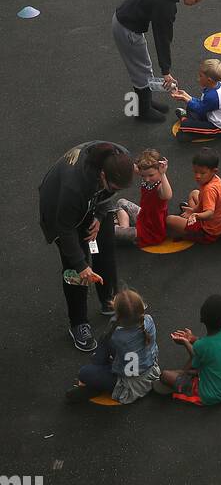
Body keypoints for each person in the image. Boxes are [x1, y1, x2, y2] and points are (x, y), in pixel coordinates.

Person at [39, 140, 135, 353]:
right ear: (102, 175)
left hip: (92, 202)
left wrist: (100, 216)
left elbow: (107, 195)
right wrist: (82, 265)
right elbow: (65, 230)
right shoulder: (75, 186)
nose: (117, 191)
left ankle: (108, 298)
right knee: (75, 271)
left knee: (105, 248)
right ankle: (78, 323)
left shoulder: (121, 158)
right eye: (115, 187)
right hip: (60, 213)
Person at [112, 0, 208, 121]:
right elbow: (162, 38)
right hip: (127, 28)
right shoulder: (166, 6)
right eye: (196, 1)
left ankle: (146, 102)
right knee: (139, 69)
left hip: (125, 18)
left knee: (144, 65)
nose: (195, 4)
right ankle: (141, 112)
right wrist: (166, 71)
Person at [66, 289, 160, 403]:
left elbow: (106, 346)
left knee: (84, 372)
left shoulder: (116, 336)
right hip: (149, 371)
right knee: (106, 344)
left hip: (128, 383)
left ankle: (98, 387)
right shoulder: (149, 320)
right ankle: (99, 381)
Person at [156, 294, 221, 405]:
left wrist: (185, 343)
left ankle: (184, 383)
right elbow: (214, 345)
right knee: (199, 366)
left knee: (164, 376)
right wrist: (193, 339)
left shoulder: (201, 346)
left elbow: (195, 356)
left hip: (211, 394)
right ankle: (189, 374)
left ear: (201, 319)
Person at [164, 148, 221, 243]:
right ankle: (189, 219)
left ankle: (188, 233)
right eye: (195, 172)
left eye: (202, 173)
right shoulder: (215, 179)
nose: (197, 176)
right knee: (194, 193)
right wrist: (194, 210)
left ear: (214, 171)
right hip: (220, 223)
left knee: (169, 220)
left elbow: (210, 214)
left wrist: (195, 215)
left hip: (209, 232)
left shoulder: (209, 189)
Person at [114, 149, 172, 246]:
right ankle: (126, 231)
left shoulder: (160, 186)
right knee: (121, 202)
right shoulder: (146, 174)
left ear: (159, 169)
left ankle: (125, 233)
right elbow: (131, 166)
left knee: (107, 231)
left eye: (151, 175)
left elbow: (168, 195)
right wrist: (116, 154)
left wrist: (163, 173)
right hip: (143, 217)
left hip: (152, 230)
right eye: (143, 176)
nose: (147, 179)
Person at [171, 58, 221, 139]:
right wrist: (187, 96)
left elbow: (201, 109)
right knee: (191, 107)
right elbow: (202, 104)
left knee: (185, 125)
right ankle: (190, 123)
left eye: (200, 76)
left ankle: (186, 121)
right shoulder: (214, 87)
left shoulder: (213, 96)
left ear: (209, 80)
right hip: (211, 115)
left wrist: (185, 99)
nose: (198, 78)